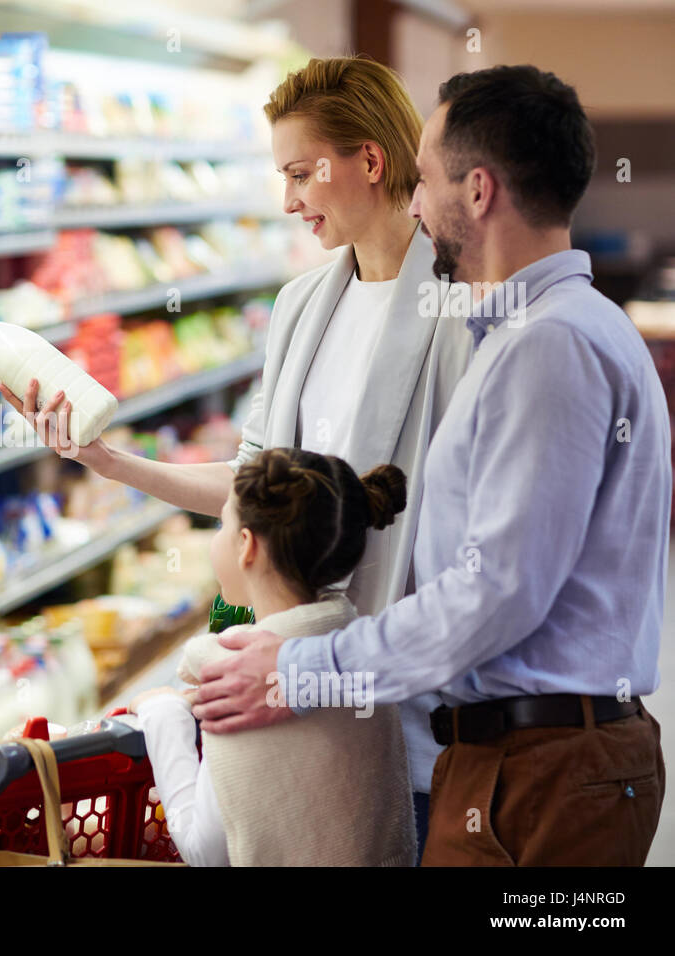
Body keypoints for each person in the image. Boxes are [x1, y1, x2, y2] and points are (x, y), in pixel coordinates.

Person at [190, 65, 669, 866]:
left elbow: (498, 591)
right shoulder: (540, 332)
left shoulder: (546, 347)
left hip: (544, 773)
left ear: (478, 191)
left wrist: (305, 666)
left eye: (430, 179)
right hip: (520, 761)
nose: (414, 202)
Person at [0, 56, 470, 857]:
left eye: (300, 174)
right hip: (281, 694)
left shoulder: (461, 312)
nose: (287, 202)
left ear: (371, 160)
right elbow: (254, 491)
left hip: (408, 717)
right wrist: (109, 462)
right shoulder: (301, 308)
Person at [129, 448, 416, 866]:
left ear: (246, 546)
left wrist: (163, 713)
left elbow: (206, 852)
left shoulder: (239, 679)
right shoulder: (357, 653)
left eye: (221, 523)